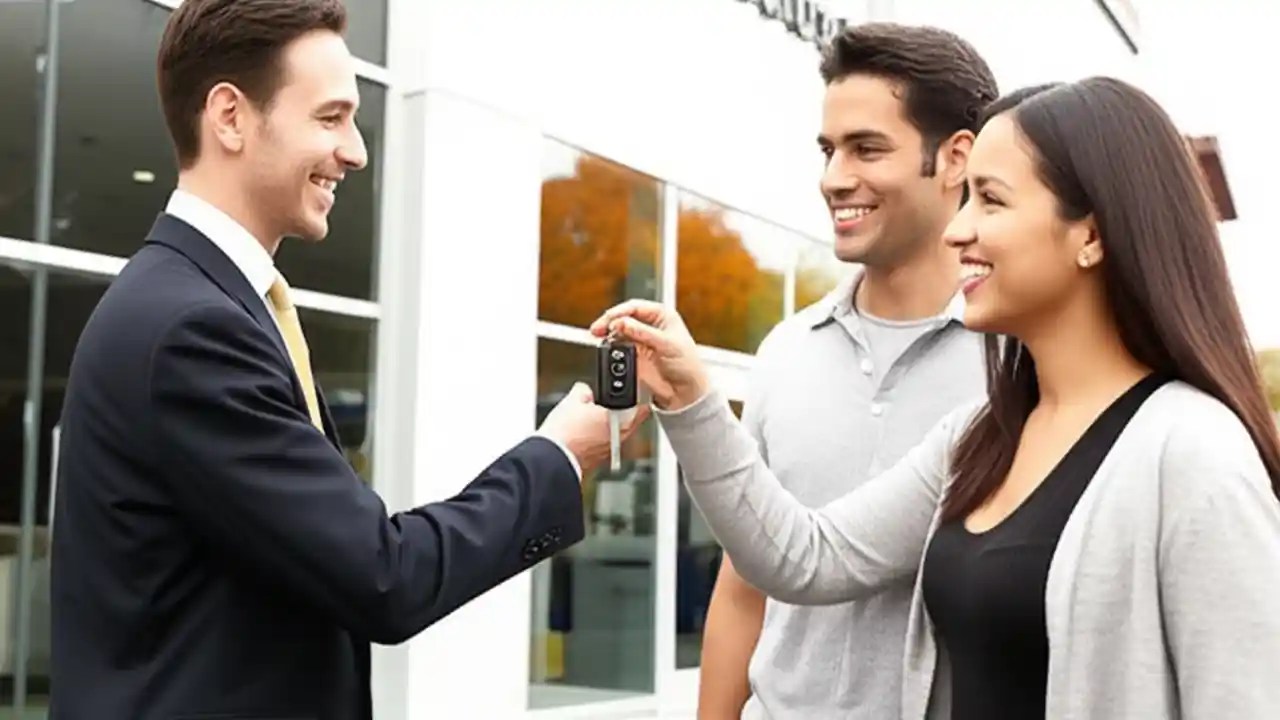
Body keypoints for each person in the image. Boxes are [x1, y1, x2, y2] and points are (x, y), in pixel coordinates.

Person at [594, 77, 1280, 719]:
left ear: (1092, 233)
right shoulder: (981, 437)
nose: (958, 230)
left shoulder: (1195, 455)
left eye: (991, 199)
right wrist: (691, 400)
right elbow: (806, 557)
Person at [48, 2, 643, 719]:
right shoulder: (191, 329)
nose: (357, 151)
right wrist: (559, 455)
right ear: (230, 117)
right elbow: (381, 575)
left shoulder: (209, 306)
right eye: (330, 118)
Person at [695, 23, 994, 720]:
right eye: (829, 150)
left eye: (867, 149)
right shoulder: (784, 353)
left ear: (955, 160)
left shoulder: (1018, 366)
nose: (835, 178)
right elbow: (743, 589)